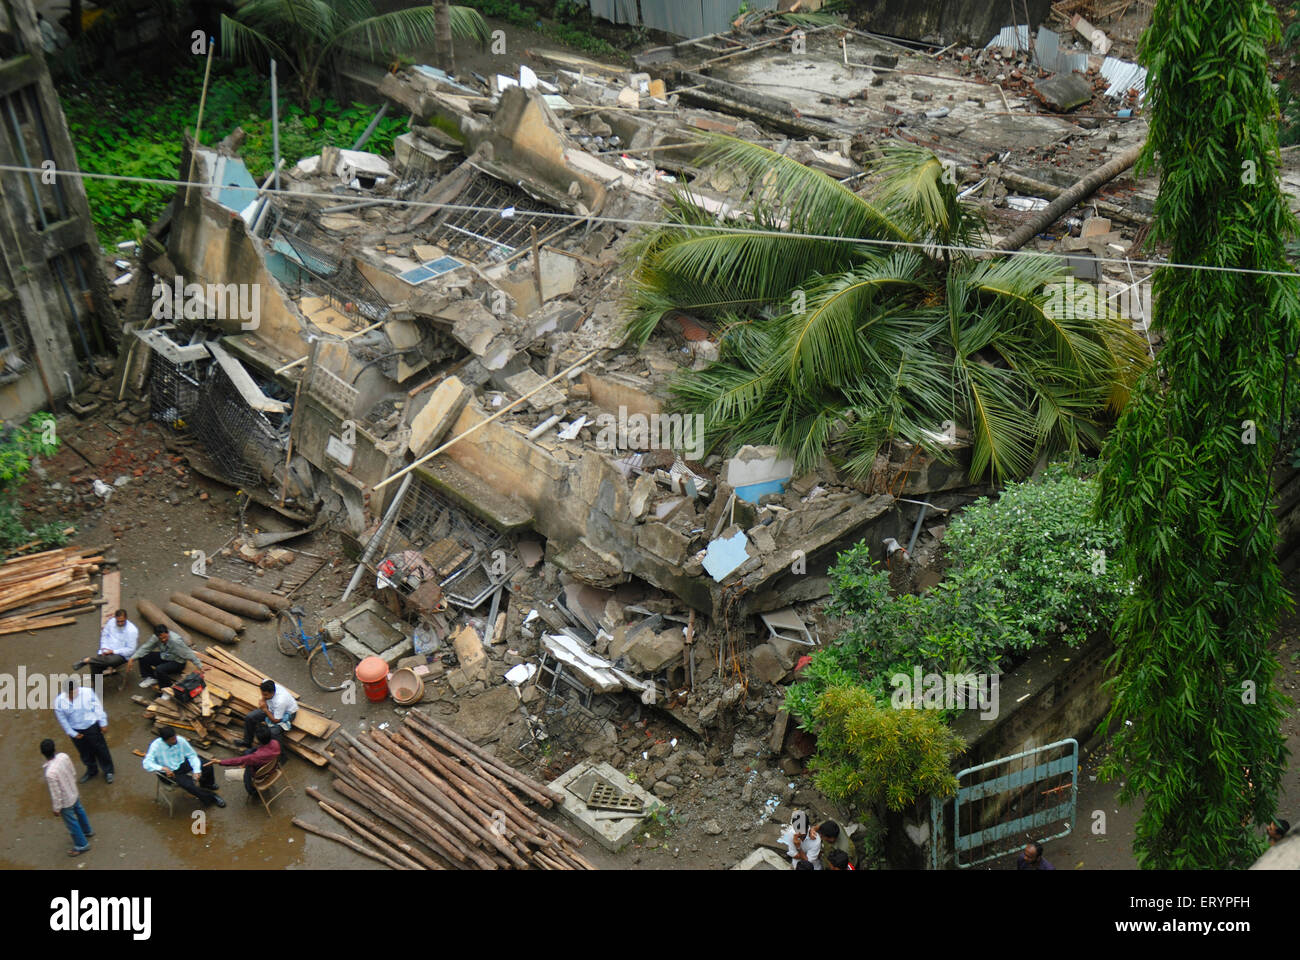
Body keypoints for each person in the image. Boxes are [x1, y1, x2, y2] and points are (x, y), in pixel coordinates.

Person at [142, 725, 225, 808]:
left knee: (207, 764)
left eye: (175, 737)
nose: (175, 740)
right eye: (172, 739)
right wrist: (162, 768)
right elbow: (146, 763)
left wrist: (196, 770)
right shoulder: (155, 746)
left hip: (181, 763)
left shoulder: (180, 740)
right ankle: (212, 797)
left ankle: (207, 784)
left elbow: (192, 755)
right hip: (170, 772)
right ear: (165, 740)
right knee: (190, 785)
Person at [53, 679, 114, 784]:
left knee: (100, 748)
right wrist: (73, 733)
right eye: (70, 693)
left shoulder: (87, 692)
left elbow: (98, 708)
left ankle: (108, 771)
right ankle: (92, 770)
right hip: (75, 730)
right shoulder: (59, 701)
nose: (73, 694)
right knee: (84, 752)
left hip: (91, 726)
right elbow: (62, 719)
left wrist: (103, 723)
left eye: (74, 691)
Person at [41, 738, 93, 857]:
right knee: (80, 811)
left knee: (72, 822)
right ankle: (87, 830)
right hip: (73, 792)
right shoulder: (63, 757)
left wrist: (56, 808)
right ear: (55, 748)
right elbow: (72, 771)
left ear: (43, 754)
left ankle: (82, 844)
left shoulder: (50, 773)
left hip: (65, 802)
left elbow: (56, 793)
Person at [206, 728, 281, 799]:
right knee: (247, 752)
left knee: (247, 775)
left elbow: (237, 761)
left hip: (259, 775)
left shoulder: (255, 757)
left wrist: (220, 761)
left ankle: (252, 792)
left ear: (259, 740)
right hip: (272, 767)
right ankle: (246, 763)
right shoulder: (275, 743)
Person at [129, 623, 203, 690]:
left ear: (168, 633)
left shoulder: (176, 641)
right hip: (165, 656)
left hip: (177, 662)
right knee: (143, 656)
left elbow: (188, 653)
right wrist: (132, 658)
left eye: (165, 638)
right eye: (161, 639)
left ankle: (167, 688)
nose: (163, 640)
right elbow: (145, 648)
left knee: (159, 669)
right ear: (157, 636)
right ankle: (151, 677)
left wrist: (200, 665)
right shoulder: (155, 637)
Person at [74, 609, 139, 679]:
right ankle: (97, 687)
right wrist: (104, 648)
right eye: (118, 621)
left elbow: (131, 650)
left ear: (126, 618)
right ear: (115, 618)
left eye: (122, 621)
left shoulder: (132, 631)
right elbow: (104, 635)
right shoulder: (111, 622)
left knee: (111, 661)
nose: (120, 623)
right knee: (95, 665)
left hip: (121, 654)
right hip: (107, 649)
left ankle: (88, 660)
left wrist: (114, 651)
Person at [238, 679, 296, 749]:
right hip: (271, 708)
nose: (263, 696)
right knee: (249, 717)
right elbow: (264, 688)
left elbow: (276, 720)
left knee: (273, 732)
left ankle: (281, 755)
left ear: (272, 692)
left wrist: (265, 709)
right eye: (262, 694)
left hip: (286, 712)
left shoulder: (281, 701)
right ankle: (247, 742)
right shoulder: (266, 684)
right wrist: (263, 699)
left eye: (265, 695)